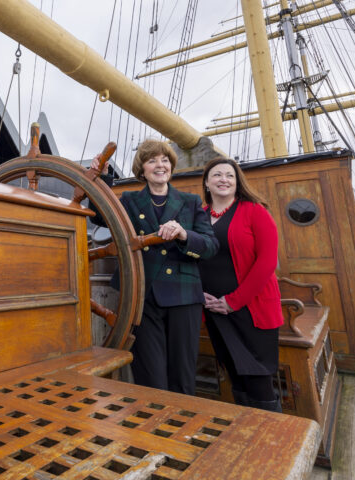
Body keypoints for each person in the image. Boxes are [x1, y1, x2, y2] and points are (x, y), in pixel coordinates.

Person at [96, 139, 218, 395]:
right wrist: (103, 177)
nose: (160, 165)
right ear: (142, 169)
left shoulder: (190, 202)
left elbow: (210, 246)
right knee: (149, 374)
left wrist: (184, 234)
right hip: (143, 296)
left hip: (183, 297)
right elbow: (100, 215)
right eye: (152, 161)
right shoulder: (129, 200)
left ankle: (182, 418)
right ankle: (154, 418)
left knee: (182, 373)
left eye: (165, 160)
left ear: (171, 166)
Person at [199, 157, 283, 412]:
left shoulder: (255, 211)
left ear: (237, 183)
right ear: (206, 182)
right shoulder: (199, 216)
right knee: (234, 374)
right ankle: (248, 428)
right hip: (215, 311)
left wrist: (233, 301)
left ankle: (271, 431)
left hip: (250, 310)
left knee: (257, 379)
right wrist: (200, 294)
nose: (223, 179)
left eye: (230, 175)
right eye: (217, 175)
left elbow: (267, 262)